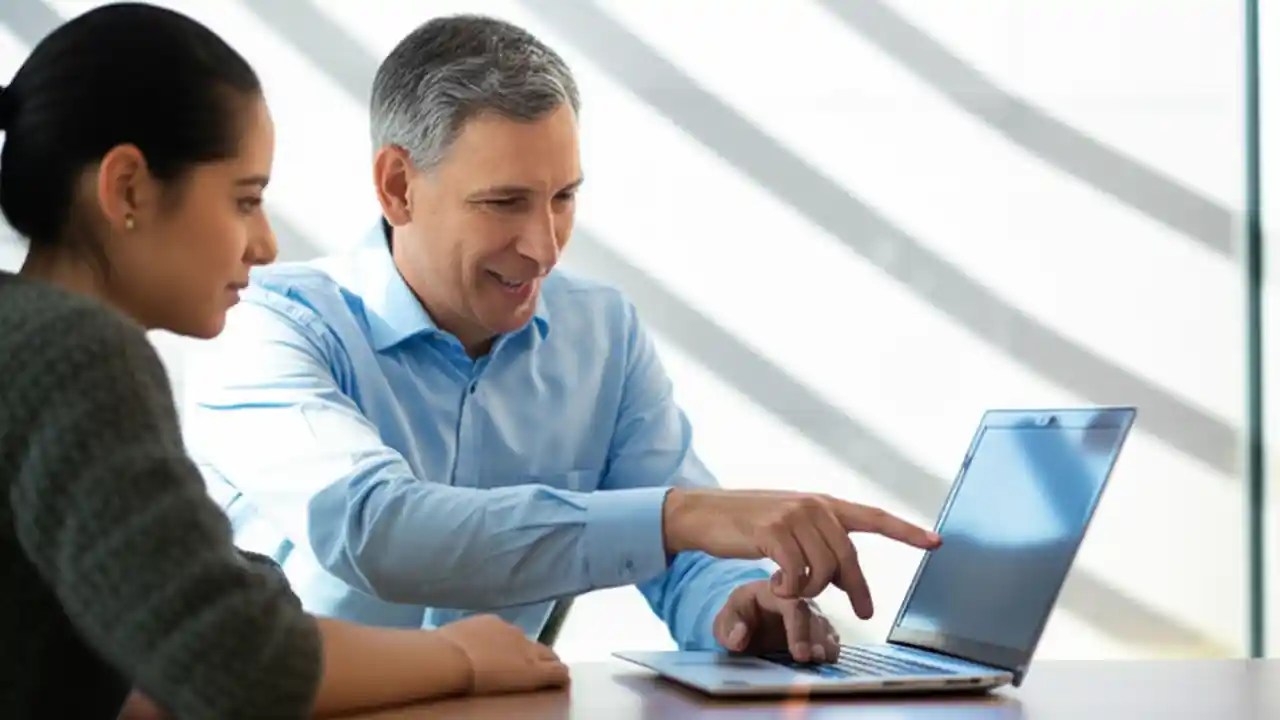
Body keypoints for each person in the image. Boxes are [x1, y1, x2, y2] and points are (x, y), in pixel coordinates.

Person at [183, 14, 941, 666]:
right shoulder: (267, 324)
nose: (544, 247)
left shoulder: (601, 335)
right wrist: (673, 515)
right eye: (504, 202)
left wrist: (738, 608)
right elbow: (376, 530)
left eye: (564, 198)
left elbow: (685, 566)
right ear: (397, 187)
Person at [0, 5, 567, 719]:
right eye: (245, 200)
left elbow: (173, 615)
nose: (265, 244)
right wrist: (464, 655)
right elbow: (237, 660)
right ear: (128, 189)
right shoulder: (75, 354)